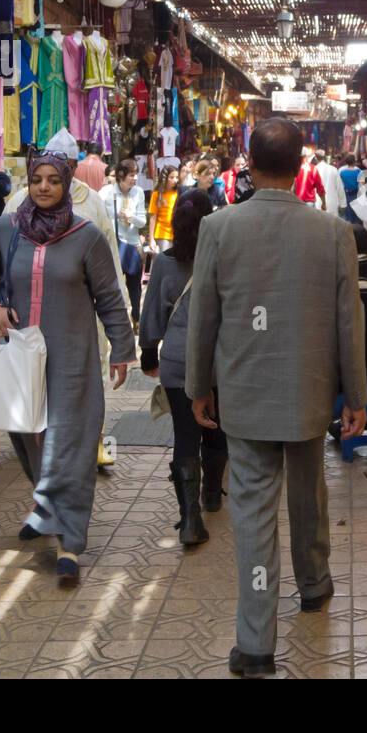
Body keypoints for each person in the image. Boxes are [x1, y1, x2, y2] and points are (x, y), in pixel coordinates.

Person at [186, 118, 367, 676]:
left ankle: (256, 643)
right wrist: (356, 394)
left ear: (248, 160)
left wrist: (198, 386)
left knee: (253, 511)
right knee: (309, 490)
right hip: (308, 390)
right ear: (300, 167)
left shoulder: (218, 227)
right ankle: (314, 584)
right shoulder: (332, 232)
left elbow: (203, 318)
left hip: (244, 392)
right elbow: (348, 321)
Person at [0, 150, 135, 587]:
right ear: (28, 184)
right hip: (17, 358)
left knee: (70, 444)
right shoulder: (6, 230)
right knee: (31, 439)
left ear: (67, 184)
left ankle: (70, 543)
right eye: (37, 180)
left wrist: (122, 348)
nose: (45, 187)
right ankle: (45, 505)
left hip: (72, 358)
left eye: (54, 180)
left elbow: (109, 296)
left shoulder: (86, 237)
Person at [6, 128, 131, 470]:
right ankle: (40, 450)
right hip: (28, 314)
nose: (46, 186)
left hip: (78, 313)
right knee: (33, 381)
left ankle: (93, 441)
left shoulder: (92, 202)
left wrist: (121, 310)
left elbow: (109, 260)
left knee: (87, 377)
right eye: (40, 177)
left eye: (63, 169)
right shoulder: (18, 203)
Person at [139, 189, 226, 545]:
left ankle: (190, 519)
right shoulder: (222, 257)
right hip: (220, 362)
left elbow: (152, 315)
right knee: (217, 429)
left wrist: (148, 353)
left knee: (185, 435)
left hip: (178, 362)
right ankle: (212, 493)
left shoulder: (163, 262)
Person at [101, 158, 147, 330]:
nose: (135, 179)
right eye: (132, 175)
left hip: (132, 244)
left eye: (136, 175)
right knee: (113, 286)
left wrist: (130, 217)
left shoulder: (139, 193)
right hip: (113, 245)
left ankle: (136, 317)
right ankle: (114, 321)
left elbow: (142, 221)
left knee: (134, 287)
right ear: (121, 176)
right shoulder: (106, 193)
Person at [148, 164, 180, 251]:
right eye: (172, 177)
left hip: (176, 234)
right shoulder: (157, 194)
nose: (175, 180)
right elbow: (153, 217)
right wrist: (151, 239)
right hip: (162, 234)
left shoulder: (178, 193)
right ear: (165, 178)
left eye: (177, 177)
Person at [314, 150, 344, 218]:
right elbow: (339, 187)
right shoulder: (333, 169)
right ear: (324, 157)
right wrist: (343, 204)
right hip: (332, 204)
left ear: (316, 158)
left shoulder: (314, 170)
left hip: (318, 204)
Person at [338, 154, 362, 224]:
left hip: (346, 196)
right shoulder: (359, 171)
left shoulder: (342, 172)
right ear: (354, 162)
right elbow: (362, 185)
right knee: (357, 216)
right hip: (356, 195)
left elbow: (341, 185)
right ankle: (356, 233)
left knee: (348, 217)